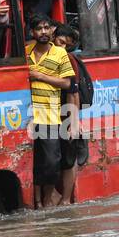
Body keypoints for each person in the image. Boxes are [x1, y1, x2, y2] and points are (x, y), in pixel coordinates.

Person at [25, 16, 74, 208]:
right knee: (35, 161)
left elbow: (68, 83)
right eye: (39, 28)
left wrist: (40, 76)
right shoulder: (25, 52)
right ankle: (37, 202)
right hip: (27, 116)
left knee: (52, 162)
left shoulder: (60, 53)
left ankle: (46, 201)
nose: (43, 32)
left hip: (50, 115)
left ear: (52, 31)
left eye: (46, 28)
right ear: (32, 32)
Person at [53, 23, 92, 204]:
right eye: (60, 42)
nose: (62, 48)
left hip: (65, 112)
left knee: (69, 156)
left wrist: (73, 122)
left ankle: (66, 199)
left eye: (66, 45)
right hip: (49, 112)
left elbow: (73, 92)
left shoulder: (68, 60)